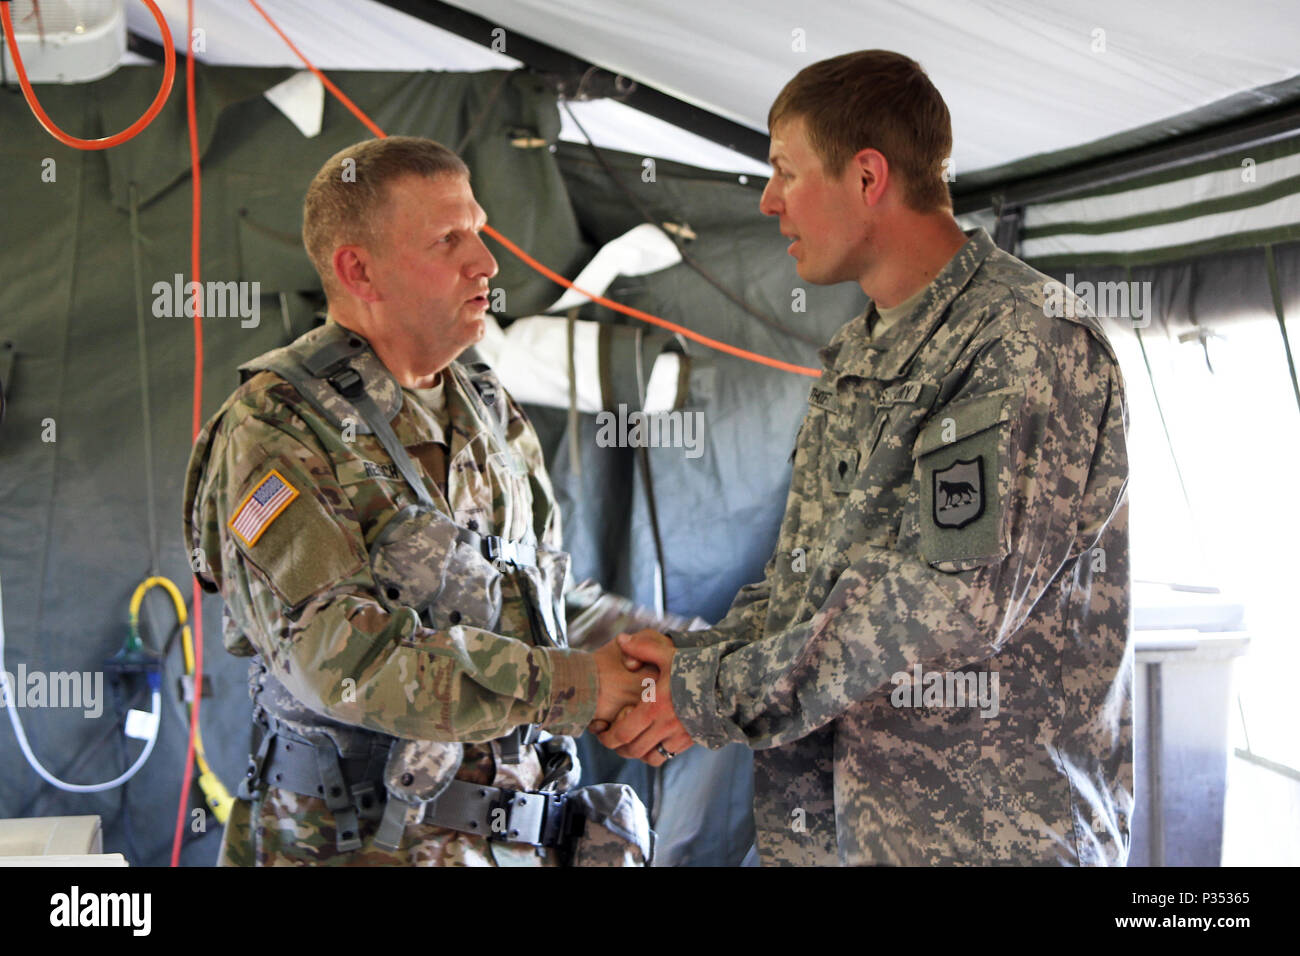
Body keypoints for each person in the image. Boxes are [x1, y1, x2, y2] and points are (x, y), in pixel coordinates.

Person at [595, 50, 1133, 866]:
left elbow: (945, 608)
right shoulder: (859, 353)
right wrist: (695, 663)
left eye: (784, 171)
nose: (771, 201)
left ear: (868, 177)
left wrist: (704, 693)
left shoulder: (1024, 337)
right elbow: (809, 585)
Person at [183, 136, 664, 866]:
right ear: (358, 269)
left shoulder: (487, 408)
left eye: (479, 229)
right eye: (449, 239)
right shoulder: (275, 426)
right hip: (358, 847)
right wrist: (573, 688)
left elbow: (542, 605)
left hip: (513, 839)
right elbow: (340, 657)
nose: (486, 262)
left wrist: (673, 659)